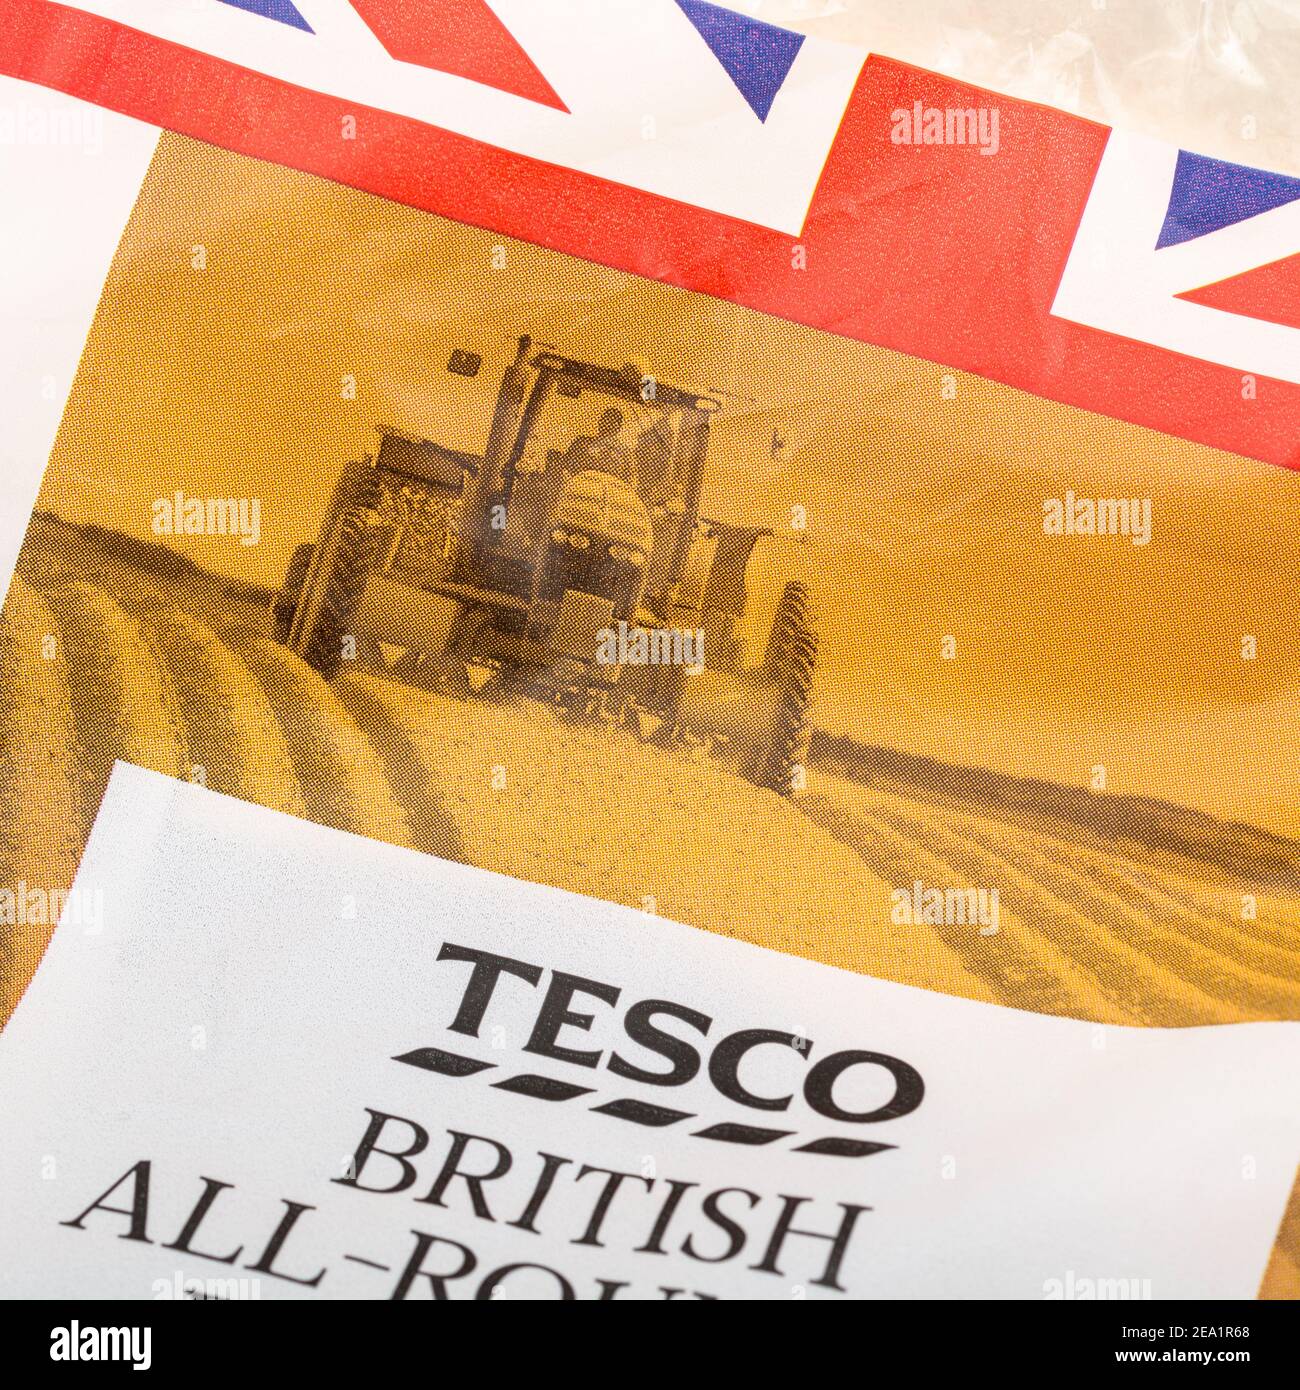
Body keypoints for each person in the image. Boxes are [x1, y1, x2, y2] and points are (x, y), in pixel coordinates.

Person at [563, 406, 636, 486]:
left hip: (611, 491)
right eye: (606, 420)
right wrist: (571, 483)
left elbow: (630, 479)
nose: (608, 425)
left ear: (618, 428)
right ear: (600, 422)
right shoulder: (582, 442)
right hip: (583, 486)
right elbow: (566, 467)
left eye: (613, 423)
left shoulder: (624, 452)